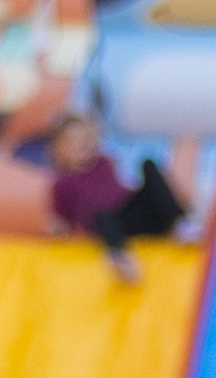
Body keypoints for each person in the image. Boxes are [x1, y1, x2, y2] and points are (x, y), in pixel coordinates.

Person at [44, 109, 188, 277]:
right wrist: (57, 229)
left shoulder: (103, 162)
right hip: (112, 227)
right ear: (59, 149)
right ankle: (121, 260)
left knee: (147, 165)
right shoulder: (63, 182)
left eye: (84, 140)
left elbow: (121, 189)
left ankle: (181, 223)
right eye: (71, 142)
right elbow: (61, 219)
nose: (80, 145)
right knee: (102, 214)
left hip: (134, 213)